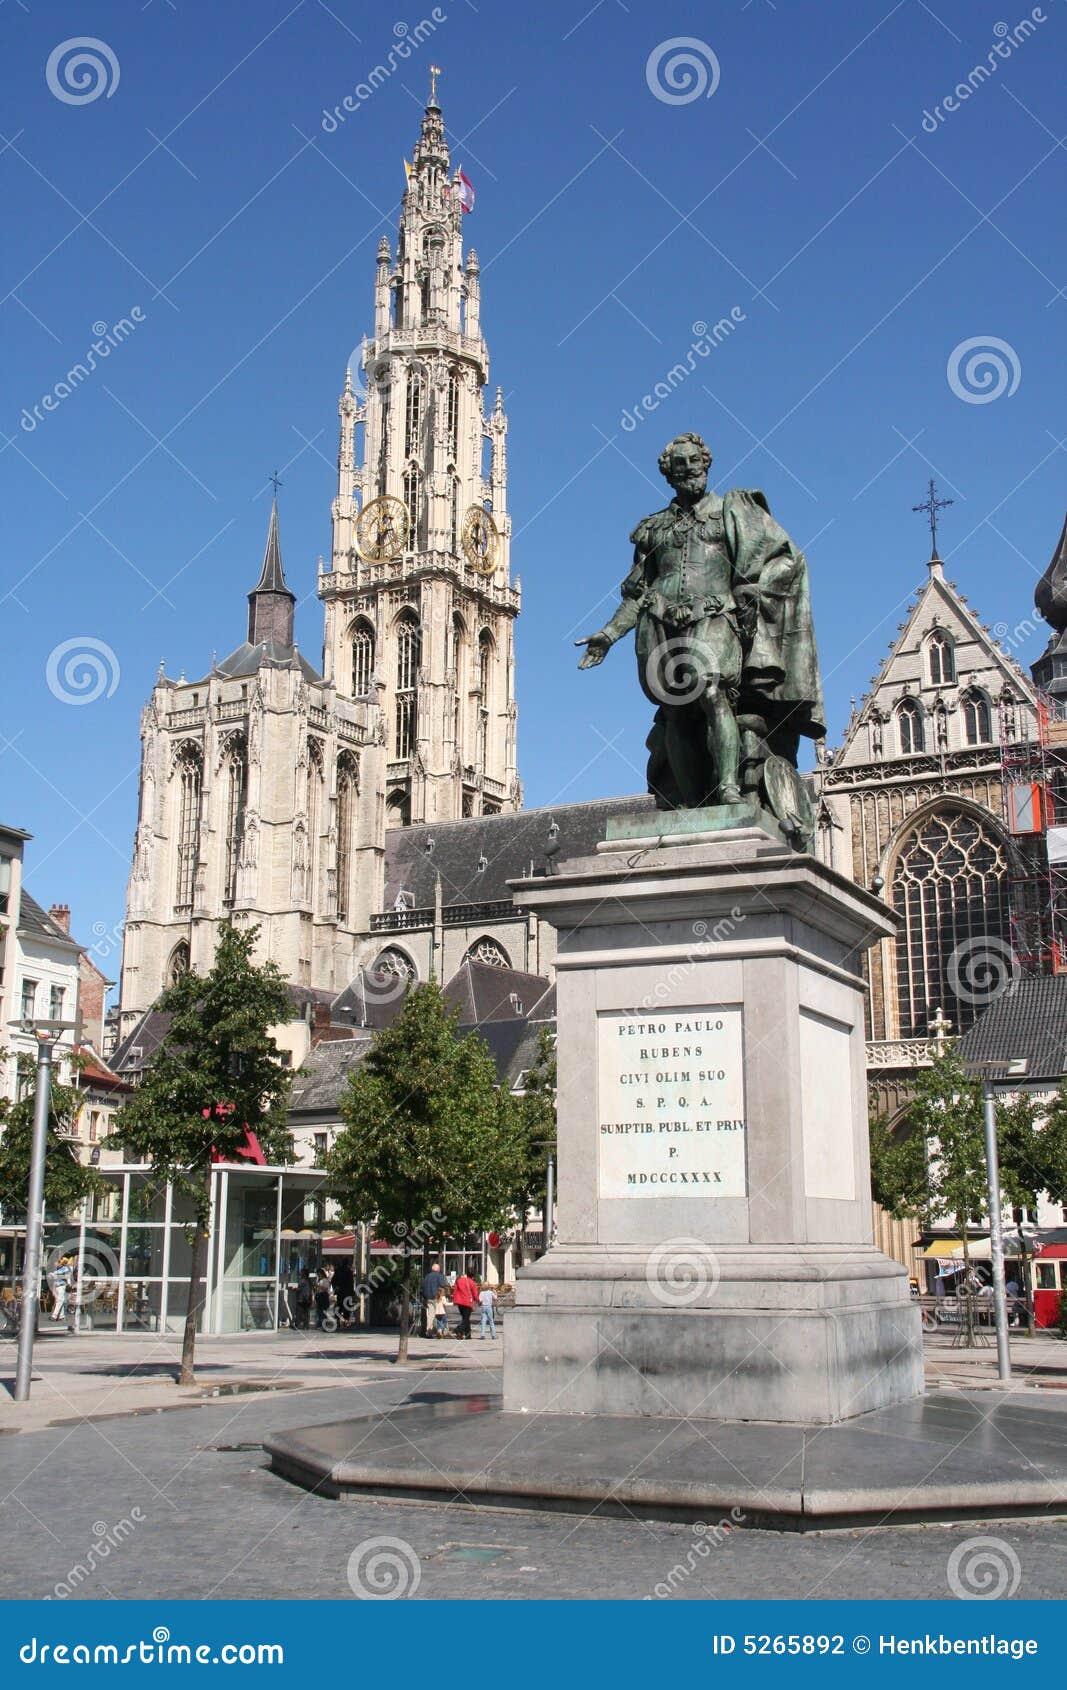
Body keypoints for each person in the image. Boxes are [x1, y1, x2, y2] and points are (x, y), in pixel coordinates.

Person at [452, 1268, 479, 1340]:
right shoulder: (472, 1283)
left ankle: (467, 1334)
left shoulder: (459, 1280)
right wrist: (478, 1300)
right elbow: (475, 1294)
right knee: (466, 1319)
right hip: (467, 1302)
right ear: (473, 1275)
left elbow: (455, 1291)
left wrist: (454, 1299)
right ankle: (459, 1329)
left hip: (459, 1302)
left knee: (465, 1318)